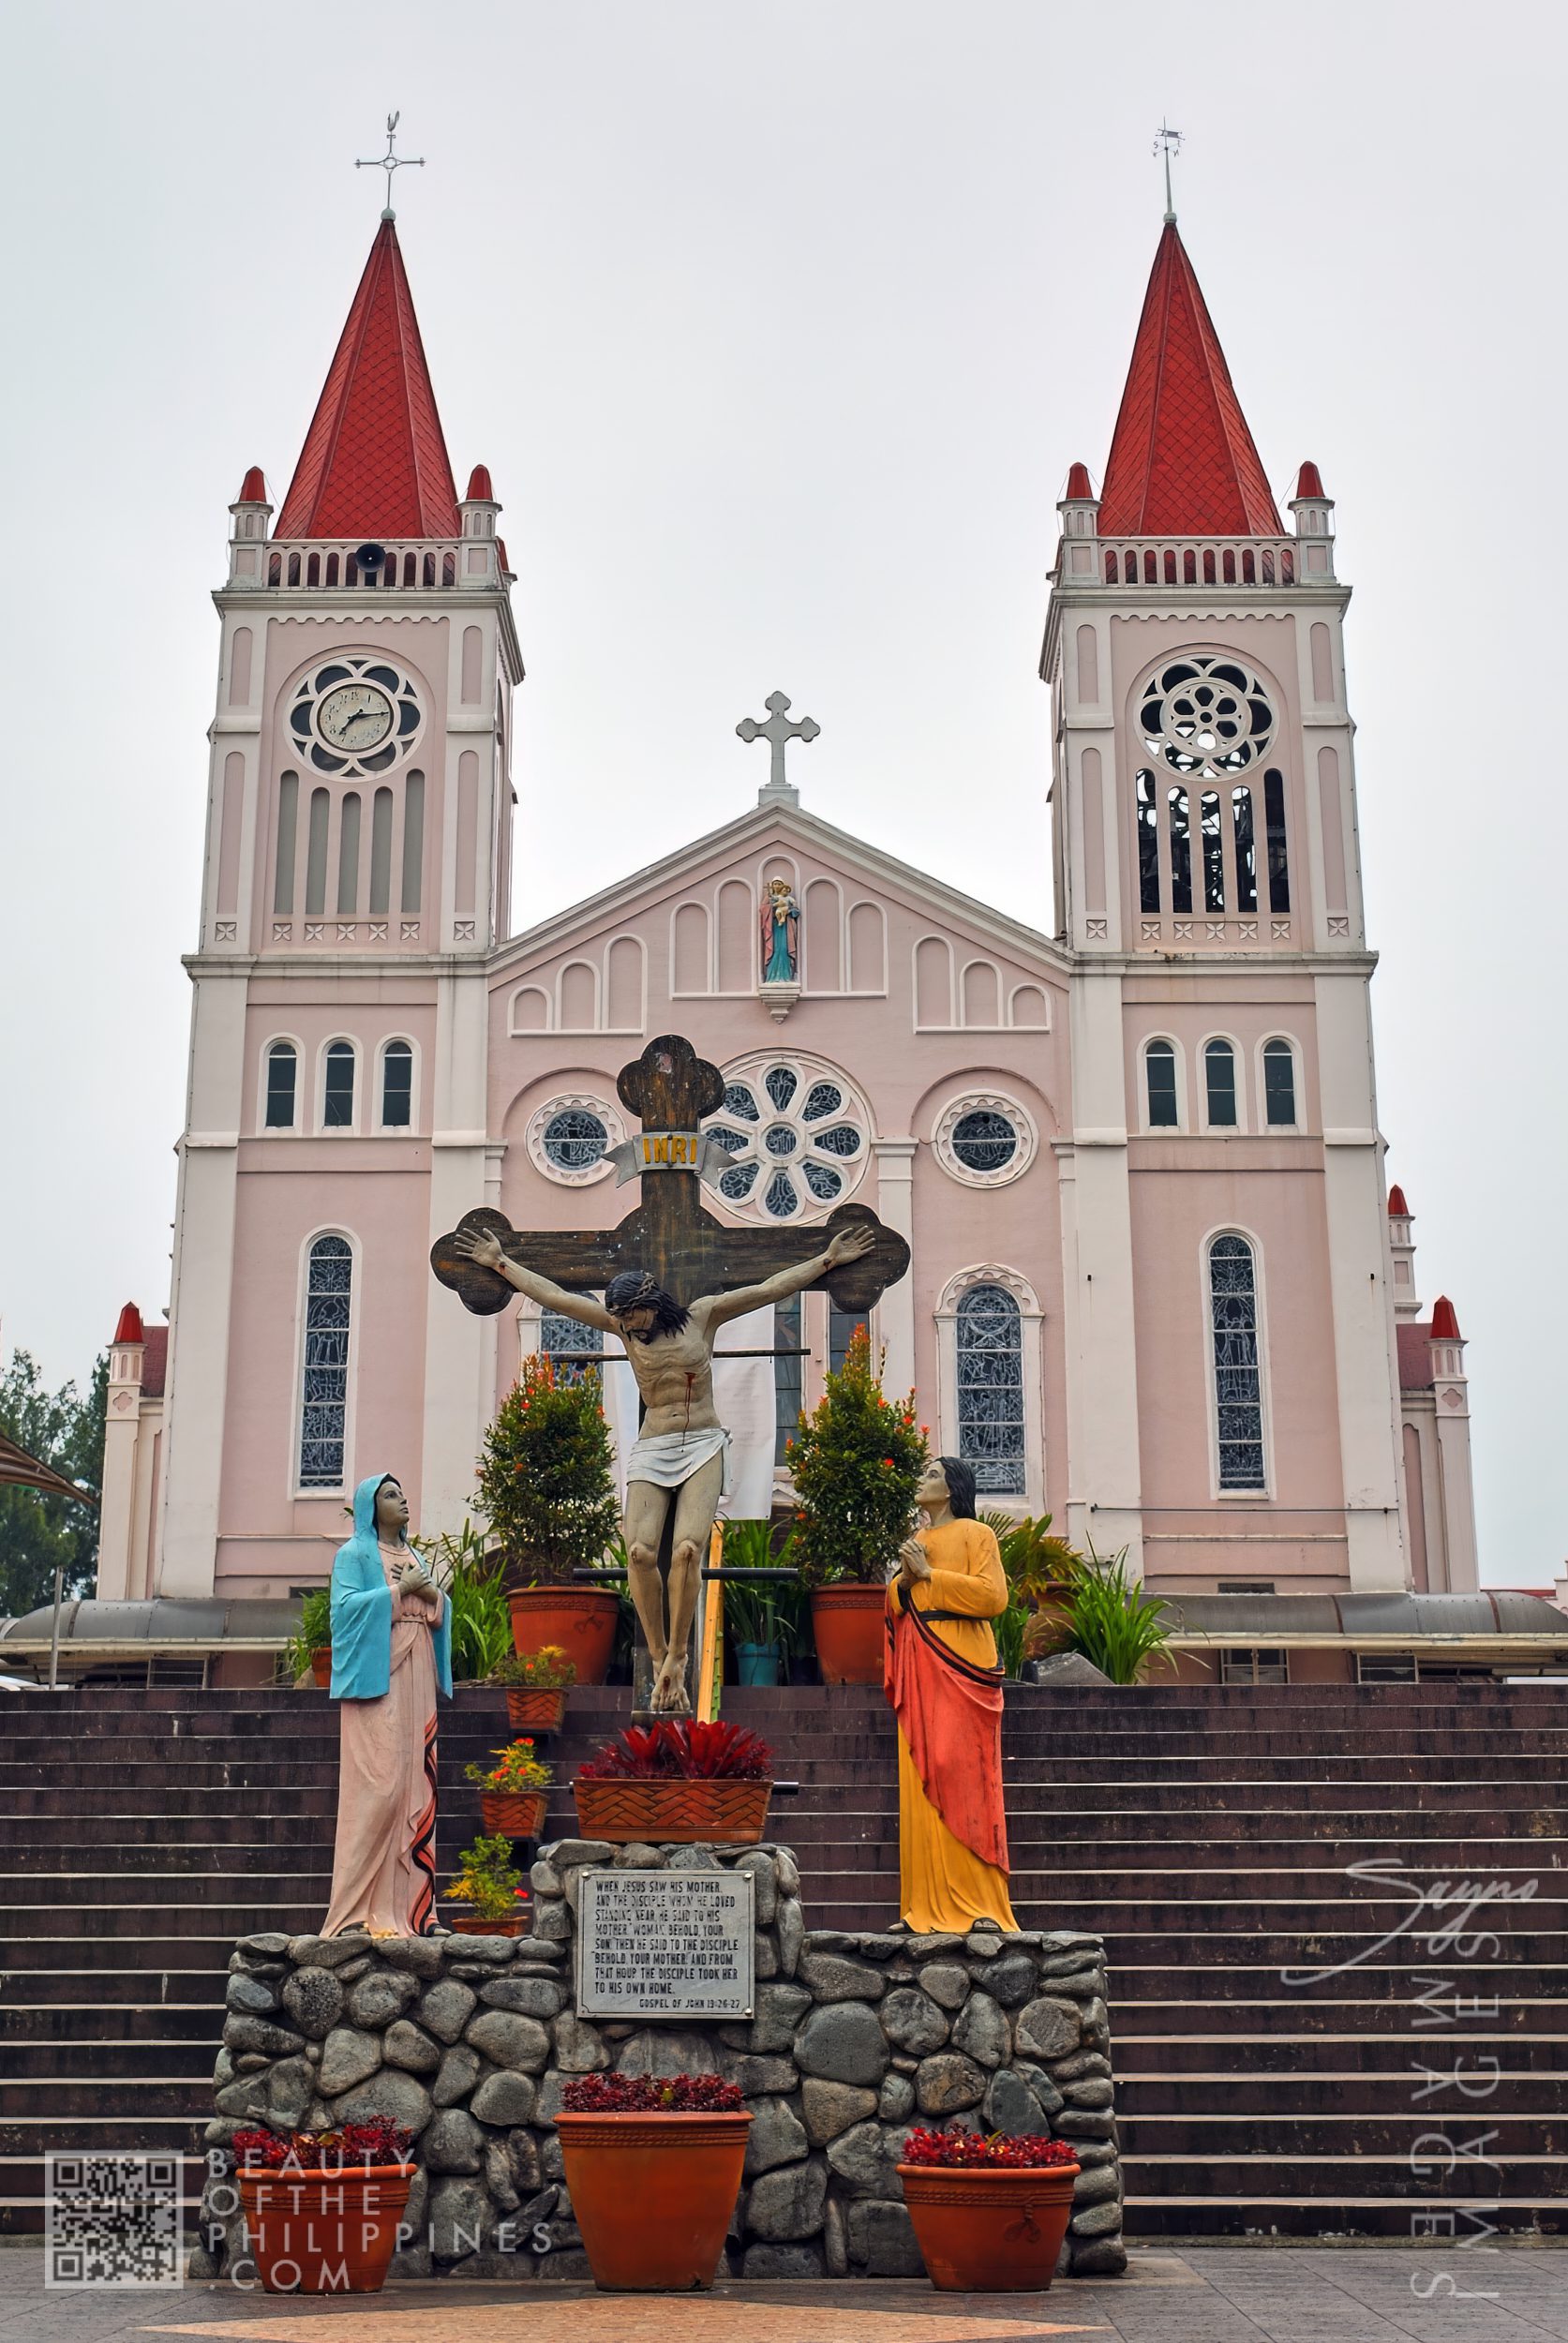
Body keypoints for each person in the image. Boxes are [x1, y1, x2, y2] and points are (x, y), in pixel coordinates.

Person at [452, 1220, 874, 1711]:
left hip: (701, 1442)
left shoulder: (703, 1317)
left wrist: (828, 1260)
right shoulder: (622, 1329)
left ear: (652, 1302)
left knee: (689, 1550)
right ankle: (658, 1658)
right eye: (622, 1318)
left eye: (633, 1314)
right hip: (653, 1446)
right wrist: (499, 1263)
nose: (629, 1325)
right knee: (638, 1554)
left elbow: (768, 1289)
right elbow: (558, 1297)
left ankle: (679, 1655)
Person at [885, 1455, 1019, 1933]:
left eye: (933, 1475)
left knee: (960, 1771)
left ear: (952, 1488)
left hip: (963, 1660)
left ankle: (979, 1902)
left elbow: (992, 1597)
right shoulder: (916, 1542)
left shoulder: (976, 1534)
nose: (923, 1480)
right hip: (920, 1662)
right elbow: (894, 1604)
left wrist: (930, 1577)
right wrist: (904, 1581)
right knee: (921, 1773)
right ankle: (921, 1907)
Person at [321, 1472, 452, 1938]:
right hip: (378, 1676)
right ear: (370, 1508)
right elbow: (344, 1612)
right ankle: (353, 1915)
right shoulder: (354, 1555)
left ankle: (416, 1913)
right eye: (390, 1495)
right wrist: (401, 1592)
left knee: (417, 1784)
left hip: (416, 1670)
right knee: (379, 1789)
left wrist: (431, 1595)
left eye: (401, 1492)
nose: (402, 1500)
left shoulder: (412, 1555)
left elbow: (438, 1609)